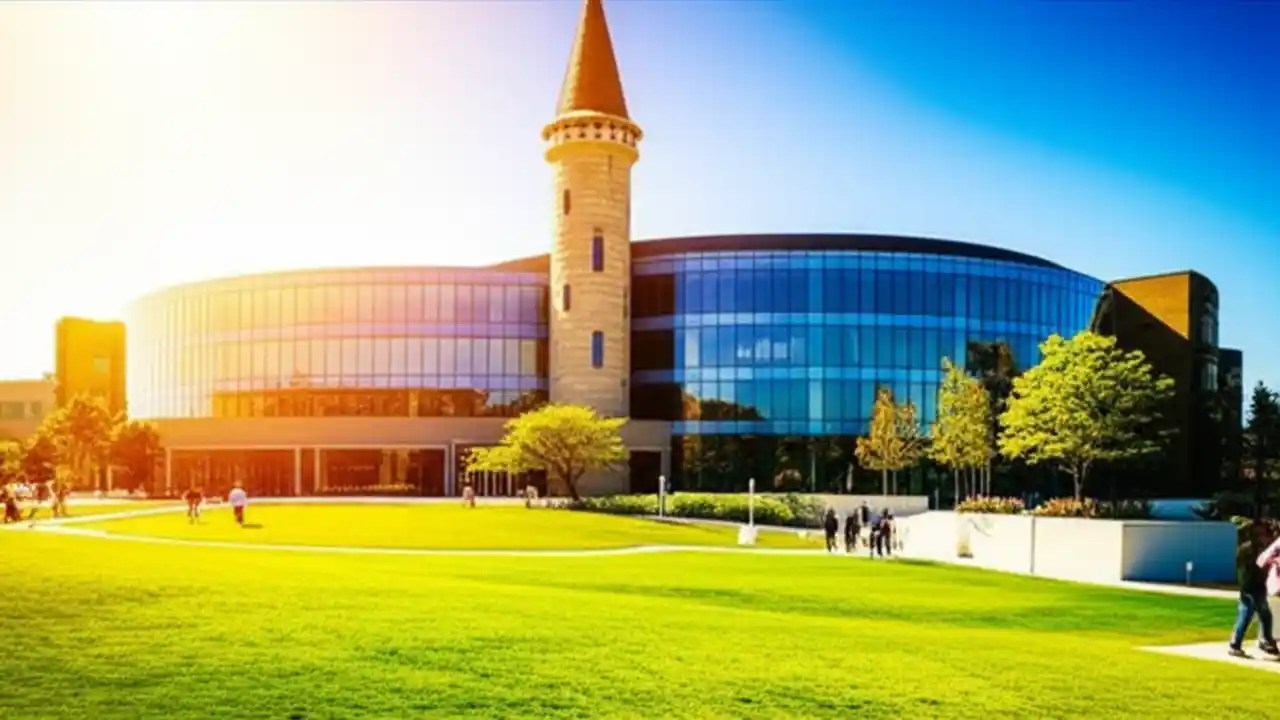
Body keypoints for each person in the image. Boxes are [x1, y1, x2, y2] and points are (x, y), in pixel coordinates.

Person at [1231, 523, 1280, 657]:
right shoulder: (1252, 550)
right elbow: (1257, 566)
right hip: (1252, 587)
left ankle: (1264, 641)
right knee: (1253, 615)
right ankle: (1238, 644)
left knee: (1258, 615)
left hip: (1254, 586)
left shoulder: (1250, 548)